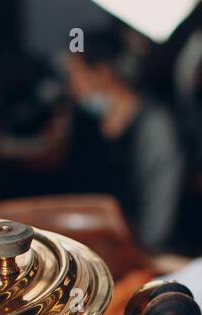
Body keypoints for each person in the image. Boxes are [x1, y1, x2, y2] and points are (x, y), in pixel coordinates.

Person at [62, 30, 185, 251]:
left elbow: (156, 228)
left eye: (75, 76)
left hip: (138, 257)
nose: (71, 88)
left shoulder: (154, 129)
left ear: (102, 74)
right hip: (87, 250)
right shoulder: (85, 122)